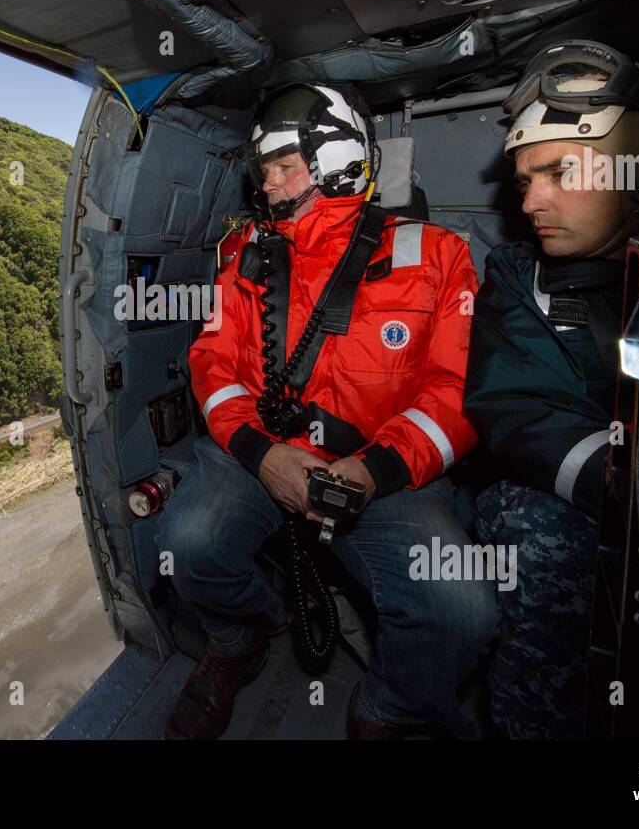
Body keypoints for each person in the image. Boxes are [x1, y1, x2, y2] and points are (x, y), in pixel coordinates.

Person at [158, 81, 497, 740]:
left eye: (284, 167)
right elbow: (212, 364)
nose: (270, 186)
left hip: (382, 466)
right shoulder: (245, 256)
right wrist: (260, 455)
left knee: (462, 609)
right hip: (262, 447)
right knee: (186, 545)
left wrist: (375, 471)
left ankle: (389, 706)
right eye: (263, 172)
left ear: (339, 161)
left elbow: (456, 392)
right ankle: (241, 636)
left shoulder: (438, 255)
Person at [463, 40, 639, 738]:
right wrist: (633, 485)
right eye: (525, 180)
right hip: (588, 499)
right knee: (539, 536)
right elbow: (517, 407)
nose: (532, 201)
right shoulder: (517, 277)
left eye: (559, 171)